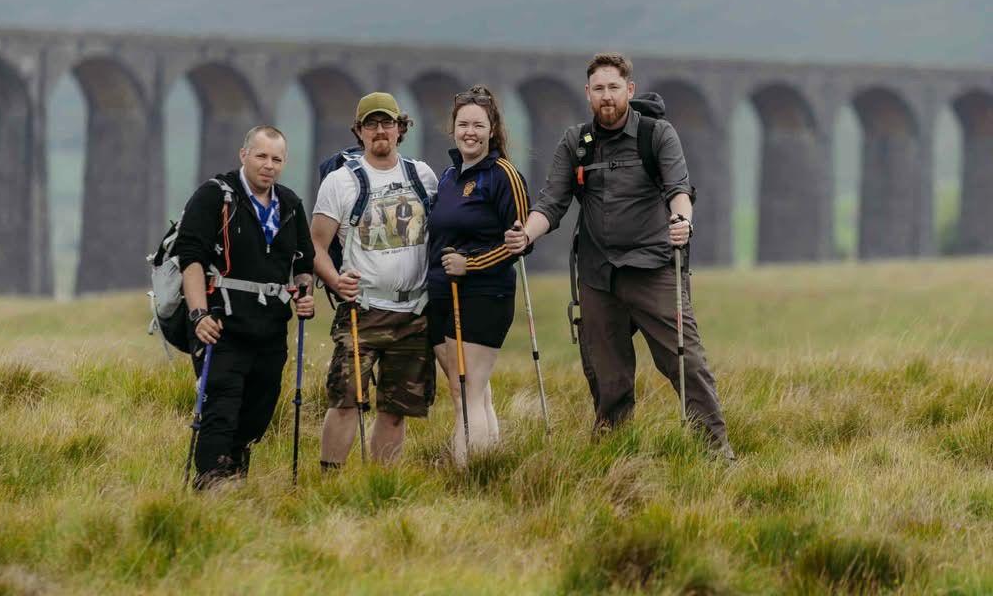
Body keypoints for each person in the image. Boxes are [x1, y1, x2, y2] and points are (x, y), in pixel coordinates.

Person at [504, 53, 735, 460]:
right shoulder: (575, 143)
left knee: (688, 366)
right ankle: (613, 461)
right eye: (598, 89)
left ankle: (716, 456)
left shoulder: (657, 134)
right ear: (587, 94)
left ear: (629, 89)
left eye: (614, 88)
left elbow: (678, 188)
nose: (606, 97)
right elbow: (552, 203)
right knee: (607, 380)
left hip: (654, 270)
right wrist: (526, 234)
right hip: (599, 277)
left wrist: (682, 221)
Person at [174, 126, 315, 489]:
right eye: (261, 156)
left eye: (276, 159)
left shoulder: (291, 204)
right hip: (221, 323)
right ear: (244, 155)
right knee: (221, 404)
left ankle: (234, 476)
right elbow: (190, 258)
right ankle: (212, 484)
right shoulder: (214, 196)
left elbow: (303, 264)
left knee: (258, 413)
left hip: (270, 329)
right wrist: (198, 314)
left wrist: (304, 294)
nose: (268, 165)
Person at [311, 92, 439, 467]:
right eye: (371, 124)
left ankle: (381, 485)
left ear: (401, 128)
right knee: (345, 400)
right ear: (359, 131)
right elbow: (316, 245)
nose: (380, 131)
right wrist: (335, 281)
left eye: (387, 123)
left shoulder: (423, 176)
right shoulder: (340, 182)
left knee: (395, 410)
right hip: (362, 308)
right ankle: (329, 479)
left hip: (413, 310)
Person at [427, 85, 531, 465]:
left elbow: (520, 244)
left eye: (478, 125)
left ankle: (469, 474)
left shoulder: (504, 175)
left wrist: (470, 265)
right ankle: (488, 466)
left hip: (484, 295)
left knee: (468, 391)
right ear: (453, 128)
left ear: (492, 129)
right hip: (441, 294)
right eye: (463, 124)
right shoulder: (448, 176)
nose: (469, 132)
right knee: (467, 392)